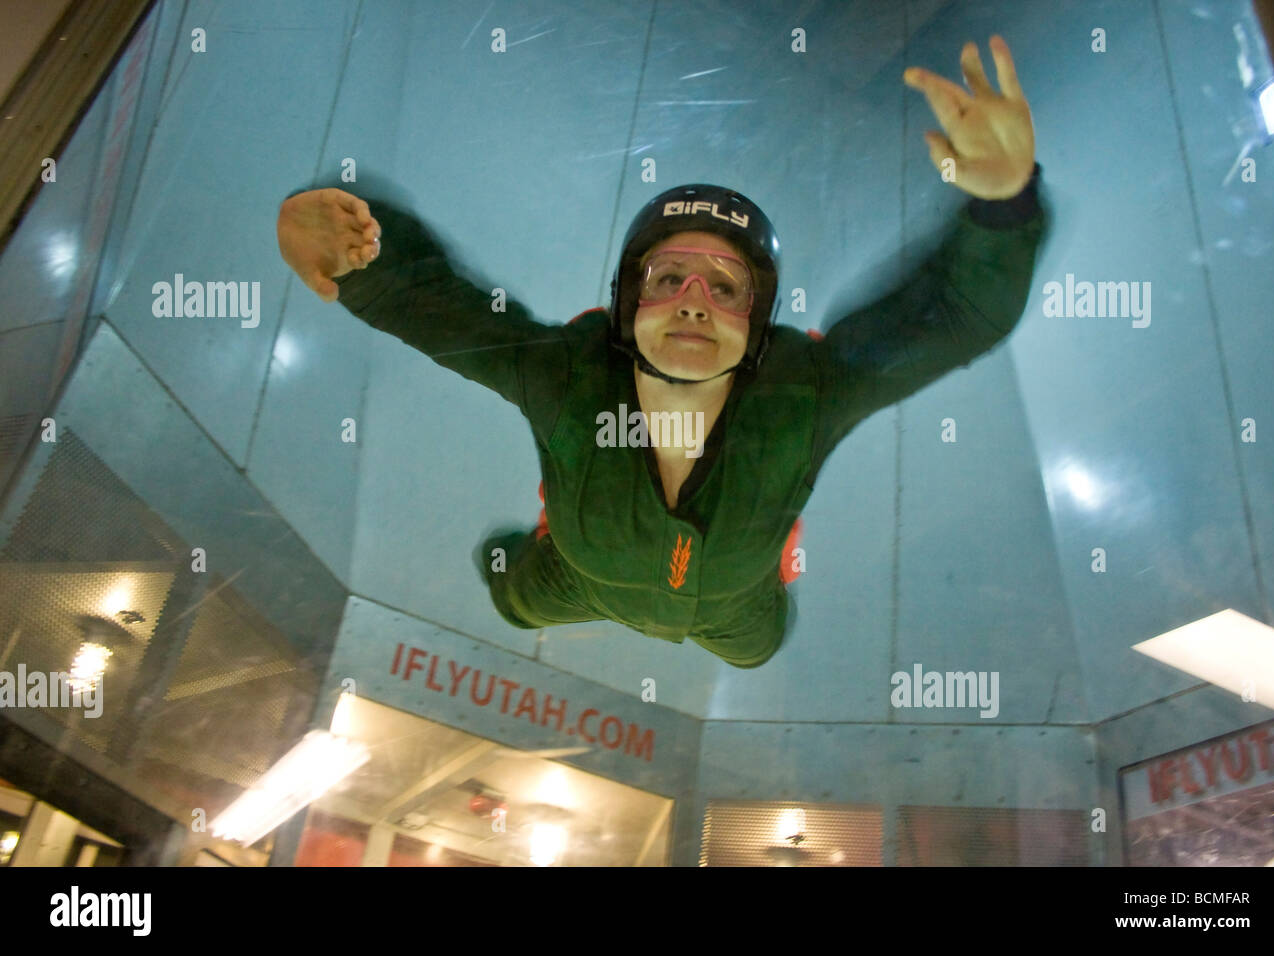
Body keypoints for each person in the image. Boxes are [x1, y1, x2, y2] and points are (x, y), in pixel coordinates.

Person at [277, 36, 1049, 668]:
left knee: (759, 651)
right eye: (668, 276)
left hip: (738, 610)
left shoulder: (810, 389)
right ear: (627, 301)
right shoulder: (568, 371)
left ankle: (754, 578)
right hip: (572, 576)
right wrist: (361, 256)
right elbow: (449, 314)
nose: (692, 300)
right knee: (512, 594)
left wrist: (1004, 205)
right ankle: (518, 556)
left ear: (760, 318)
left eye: (726, 287)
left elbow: (950, 317)